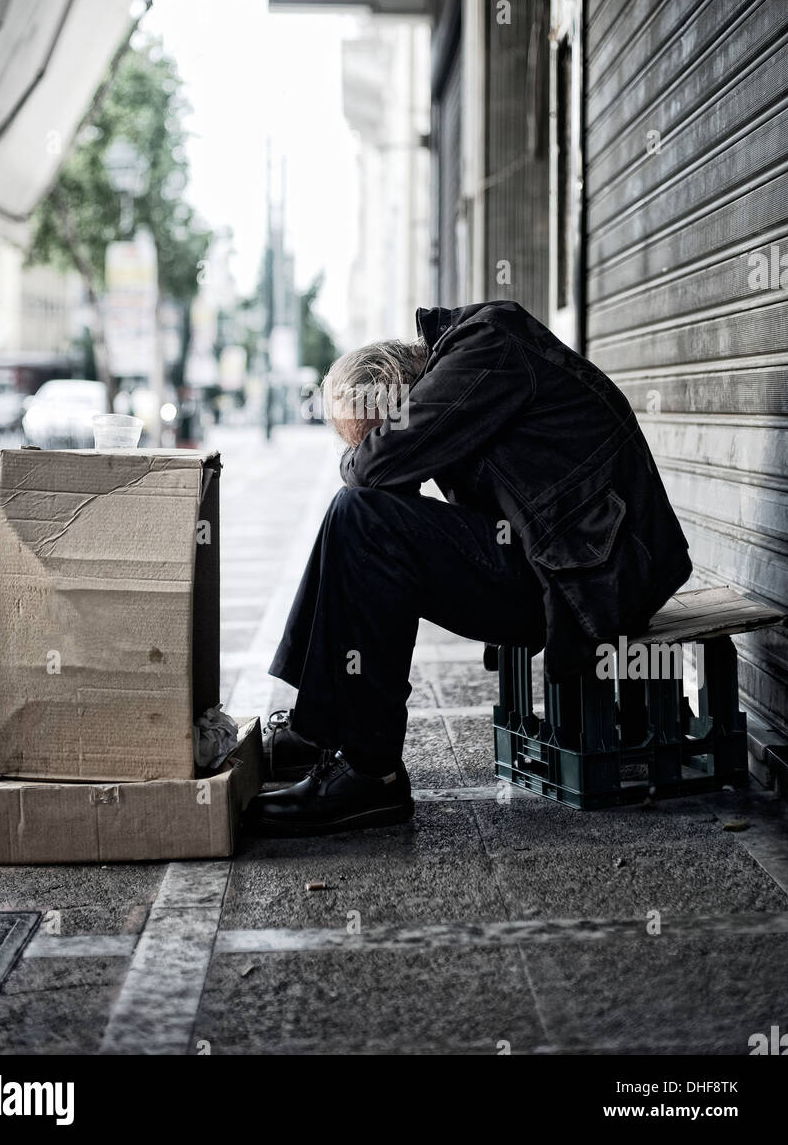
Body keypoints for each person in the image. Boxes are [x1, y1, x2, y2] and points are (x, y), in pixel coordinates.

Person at [245, 299, 692, 838]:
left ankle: (372, 772)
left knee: (360, 514)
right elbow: (381, 470)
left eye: (375, 431)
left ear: (402, 397)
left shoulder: (488, 345)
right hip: (570, 560)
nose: (373, 448)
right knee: (359, 516)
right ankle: (315, 733)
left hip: (595, 579)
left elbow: (373, 469)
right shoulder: (471, 360)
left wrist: (367, 459)